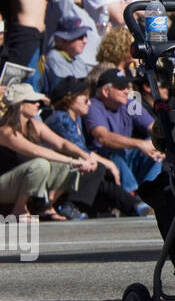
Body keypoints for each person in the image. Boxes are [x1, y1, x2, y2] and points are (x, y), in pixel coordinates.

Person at [0, 84, 90, 220]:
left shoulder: (34, 125)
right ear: (20, 105)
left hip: (20, 182)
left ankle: (47, 206)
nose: (38, 104)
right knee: (41, 164)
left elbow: (62, 144)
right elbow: (35, 151)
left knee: (67, 165)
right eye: (32, 101)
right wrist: (74, 161)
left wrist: (85, 157)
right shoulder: (6, 131)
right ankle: (19, 209)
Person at [43, 76, 148, 217]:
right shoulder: (61, 119)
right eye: (85, 99)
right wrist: (108, 163)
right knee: (97, 166)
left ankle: (130, 206)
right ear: (70, 99)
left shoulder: (76, 119)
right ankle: (72, 206)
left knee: (100, 176)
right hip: (58, 168)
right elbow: (79, 150)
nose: (89, 104)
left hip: (72, 167)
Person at [84, 68, 163, 192]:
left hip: (128, 156)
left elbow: (154, 128)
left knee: (154, 145)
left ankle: (151, 194)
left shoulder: (130, 104)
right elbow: (102, 137)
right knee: (114, 155)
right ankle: (133, 198)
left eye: (127, 86)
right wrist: (140, 144)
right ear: (105, 91)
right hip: (104, 159)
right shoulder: (93, 106)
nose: (127, 91)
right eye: (121, 87)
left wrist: (161, 145)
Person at [43, 16, 93, 90]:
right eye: (80, 37)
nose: (85, 41)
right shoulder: (54, 58)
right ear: (64, 40)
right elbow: (69, 90)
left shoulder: (76, 58)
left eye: (86, 36)